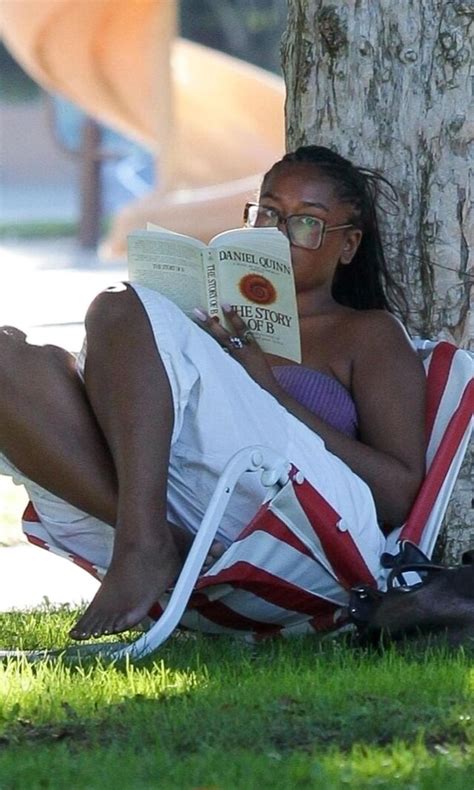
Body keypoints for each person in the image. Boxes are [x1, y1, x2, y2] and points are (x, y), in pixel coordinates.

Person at [0, 145, 426, 640]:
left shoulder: (368, 334)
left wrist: (268, 391)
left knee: (122, 306)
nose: (275, 233)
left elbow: (397, 495)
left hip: (305, 527)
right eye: (267, 211)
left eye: (305, 223)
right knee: (10, 357)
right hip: (191, 496)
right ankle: (161, 538)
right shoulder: (214, 324)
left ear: (347, 245)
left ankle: (144, 543)